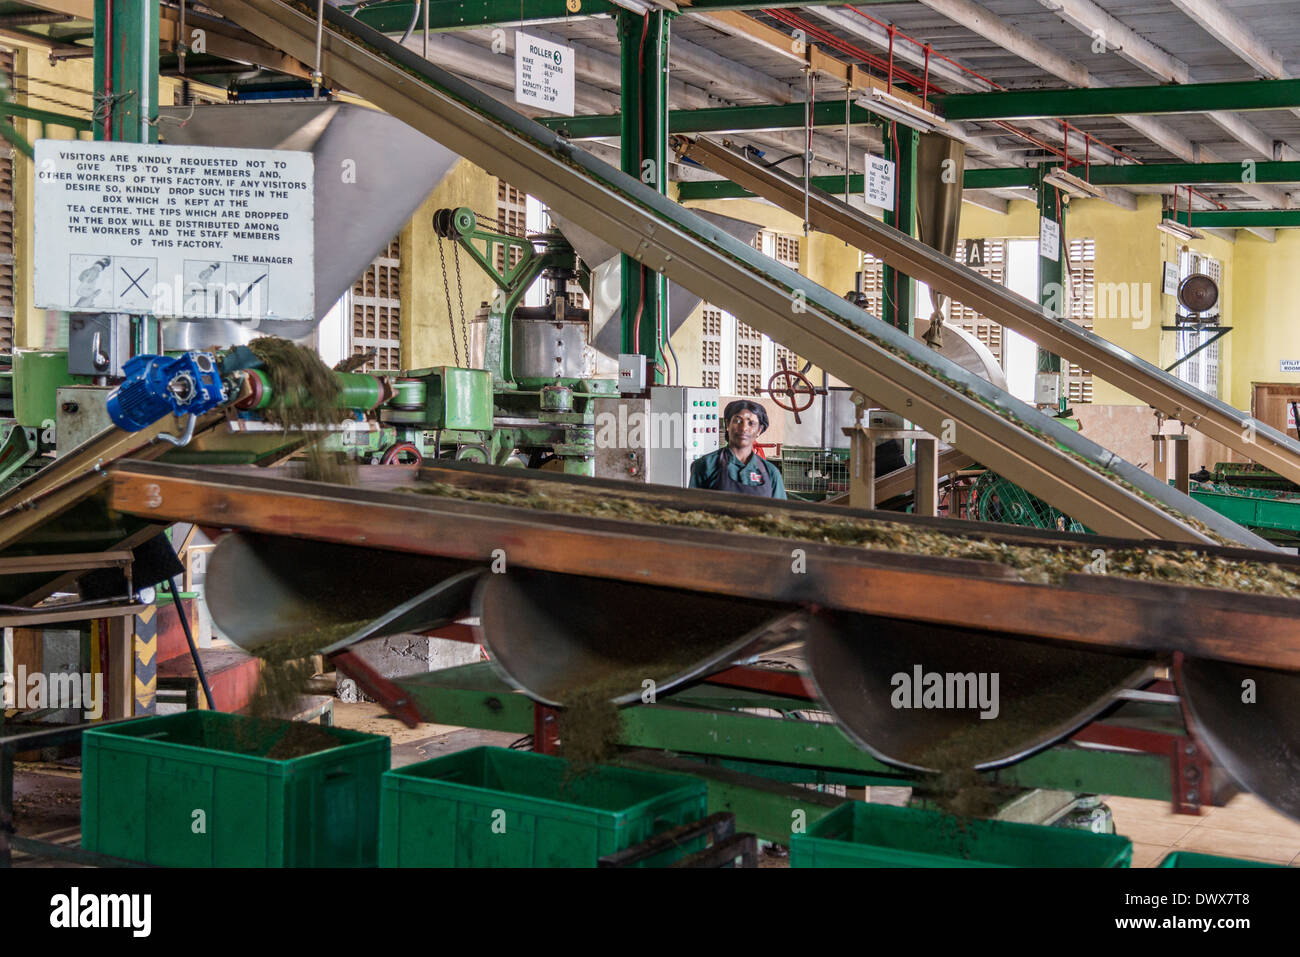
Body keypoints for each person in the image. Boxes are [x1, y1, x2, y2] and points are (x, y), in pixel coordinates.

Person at [689, 399, 787, 499]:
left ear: (759, 430)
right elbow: (692, 510)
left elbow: (781, 512)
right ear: (727, 424)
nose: (744, 428)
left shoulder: (771, 472)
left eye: (751, 423)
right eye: (738, 421)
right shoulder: (705, 465)